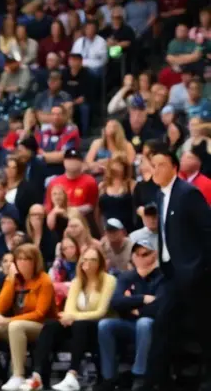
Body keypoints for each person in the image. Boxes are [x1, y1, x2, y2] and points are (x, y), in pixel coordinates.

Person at [143, 142, 211, 391]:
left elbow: (207, 231)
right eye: (153, 166)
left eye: (161, 165)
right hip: (171, 274)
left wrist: (201, 268)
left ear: (174, 167)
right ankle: (156, 381)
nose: (156, 170)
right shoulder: (160, 195)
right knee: (164, 324)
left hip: (194, 275)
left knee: (204, 328)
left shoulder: (187, 193)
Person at [24, 246, 116, 391]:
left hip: (98, 327)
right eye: (85, 259)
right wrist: (71, 316)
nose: (89, 263)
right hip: (77, 326)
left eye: (93, 260)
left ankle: (72, 376)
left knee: (81, 325)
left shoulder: (109, 280)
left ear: (100, 263)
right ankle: (37, 376)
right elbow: (69, 309)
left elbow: (101, 312)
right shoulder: (77, 281)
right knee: (51, 325)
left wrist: (73, 317)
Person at [0, 243, 56, 390]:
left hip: (42, 327)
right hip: (18, 326)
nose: (22, 262)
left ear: (35, 262)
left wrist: (9, 320)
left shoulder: (44, 280)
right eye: (19, 259)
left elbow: (40, 313)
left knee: (15, 326)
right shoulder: (14, 280)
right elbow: (0, 307)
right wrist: (10, 280)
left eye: (27, 259)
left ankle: (18, 376)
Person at [96, 235, 164, 391]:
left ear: (154, 255)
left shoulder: (162, 277)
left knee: (144, 323)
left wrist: (133, 306)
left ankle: (139, 375)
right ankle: (109, 377)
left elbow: (159, 306)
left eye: (145, 254)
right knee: (105, 325)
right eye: (137, 254)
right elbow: (115, 302)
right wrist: (143, 298)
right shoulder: (126, 276)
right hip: (129, 324)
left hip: (155, 326)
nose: (140, 257)